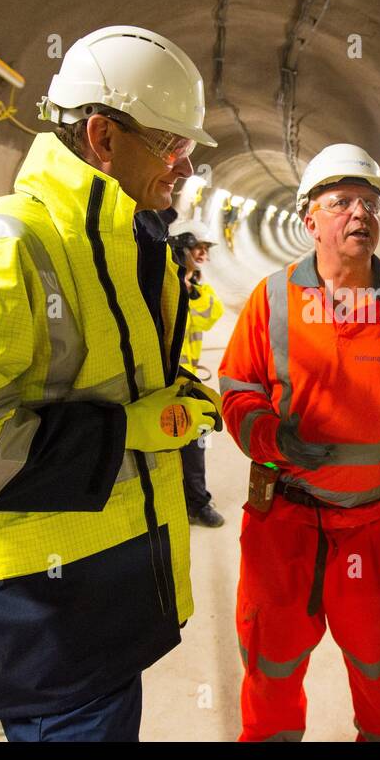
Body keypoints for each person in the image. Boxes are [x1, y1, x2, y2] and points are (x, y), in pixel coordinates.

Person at [0, 25, 223, 741]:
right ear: (102, 137)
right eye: (174, 146)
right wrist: (132, 429)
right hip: (39, 622)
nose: (185, 167)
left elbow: (103, 383)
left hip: (103, 606)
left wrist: (171, 398)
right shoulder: (1, 246)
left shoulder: (122, 248)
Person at [219, 143, 380, 741]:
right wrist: (271, 438)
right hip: (284, 521)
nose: (360, 213)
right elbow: (236, 390)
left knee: (378, 666)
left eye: (370, 202)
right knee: (269, 667)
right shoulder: (272, 300)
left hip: (372, 526)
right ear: (309, 220)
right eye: (341, 201)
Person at [169, 218, 227, 528]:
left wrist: (192, 288)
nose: (203, 254)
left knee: (196, 439)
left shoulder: (195, 287)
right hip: (161, 379)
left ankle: (197, 501)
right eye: (198, 248)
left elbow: (208, 317)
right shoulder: (159, 281)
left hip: (187, 378)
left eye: (205, 249)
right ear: (179, 249)